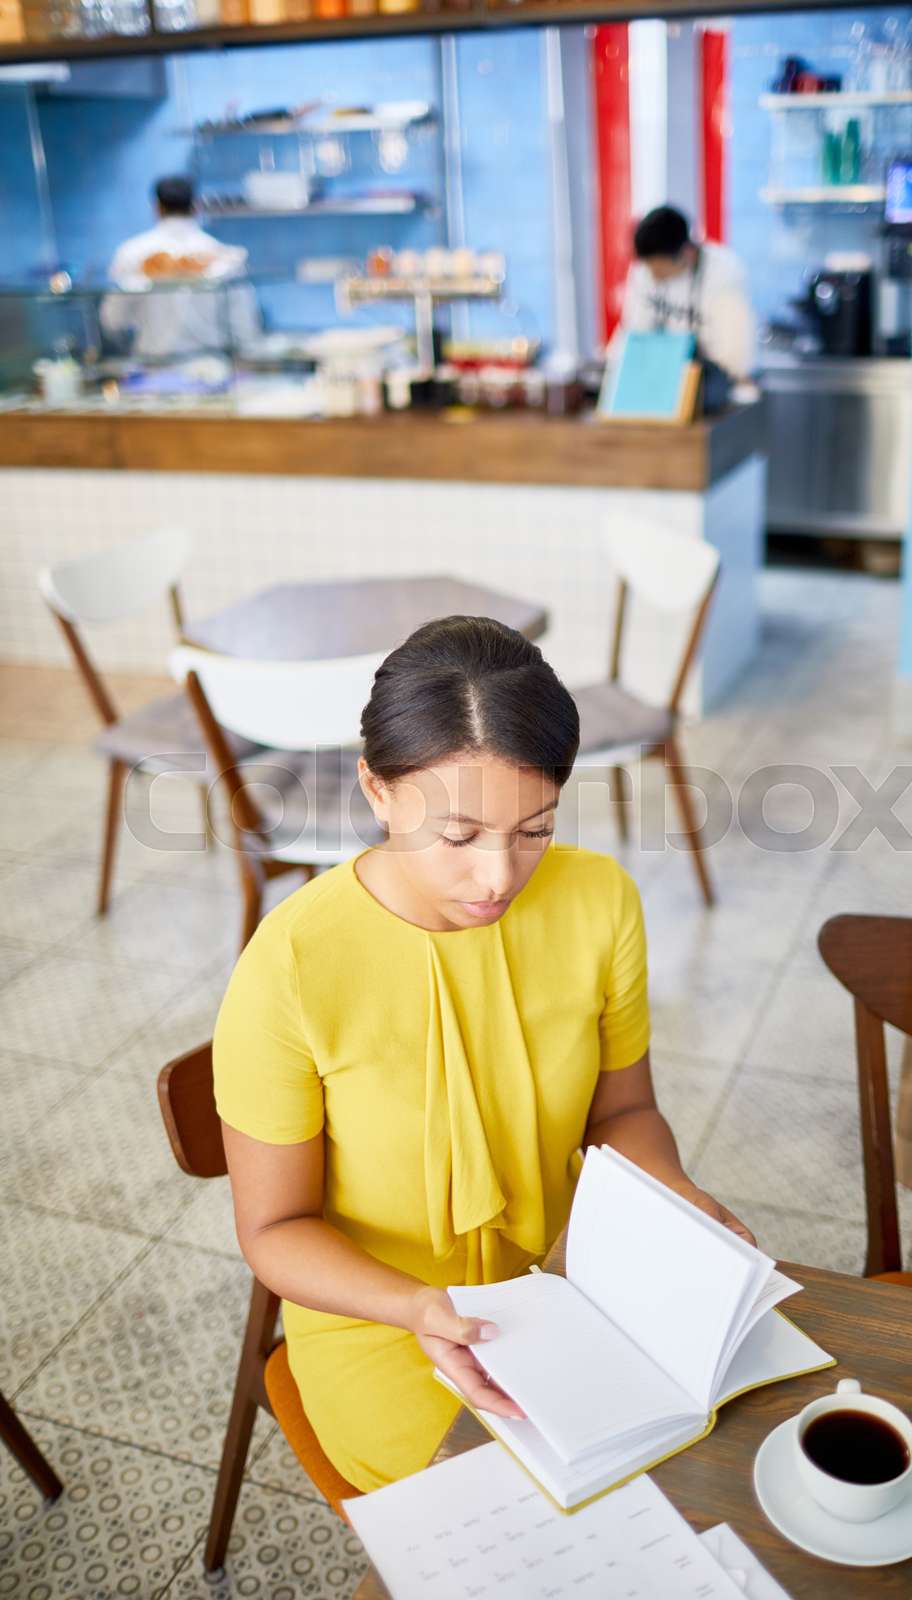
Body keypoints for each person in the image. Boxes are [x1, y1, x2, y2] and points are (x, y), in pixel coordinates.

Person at [213, 615, 753, 1494]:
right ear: (376, 791)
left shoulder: (599, 901)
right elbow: (274, 1232)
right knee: (538, 1512)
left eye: (534, 830)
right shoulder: (293, 965)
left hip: (557, 1289)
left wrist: (675, 1197)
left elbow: (620, 1112)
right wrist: (419, 1308)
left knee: (699, 1471)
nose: (499, 876)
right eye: (458, 837)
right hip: (385, 1320)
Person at [100, 175, 259, 363]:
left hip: (153, 367)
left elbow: (113, 320)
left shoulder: (130, 253)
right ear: (195, 206)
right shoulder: (222, 254)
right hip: (212, 366)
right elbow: (243, 323)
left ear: (157, 207)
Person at [620, 204, 756, 405]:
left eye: (661, 271)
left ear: (686, 252)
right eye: (650, 269)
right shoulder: (643, 272)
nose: (654, 277)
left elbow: (735, 356)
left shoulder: (724, 274)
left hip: (710, 380)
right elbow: (636, 332)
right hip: (660, 379)